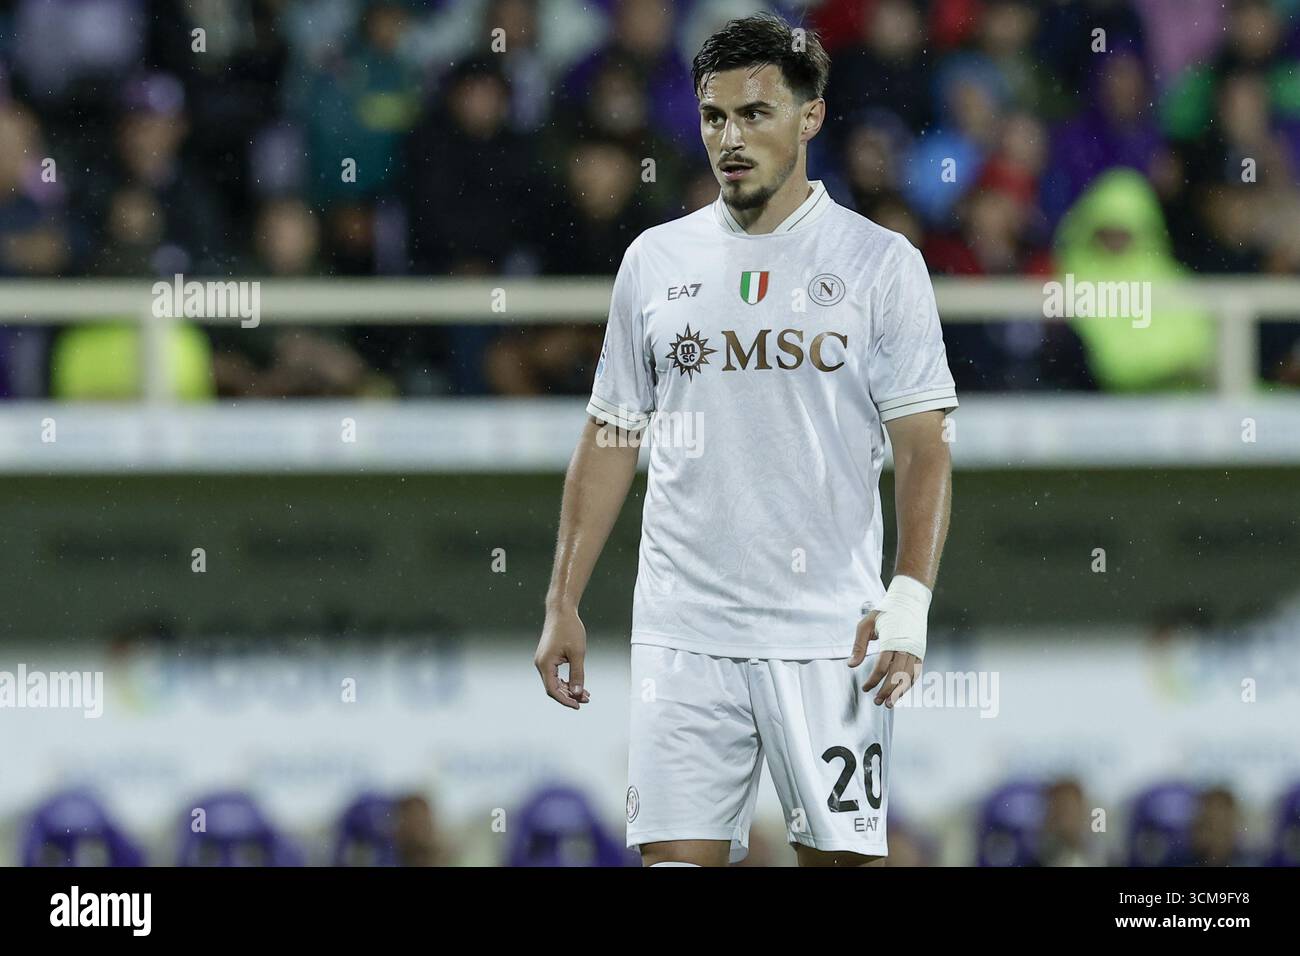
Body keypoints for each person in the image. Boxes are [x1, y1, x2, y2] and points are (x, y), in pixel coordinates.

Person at [533, 12, 958, 868]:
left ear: (810, 118)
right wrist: (562, 598)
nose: (730, 137)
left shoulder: (880, 264)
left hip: (831, 633)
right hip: (682, 631)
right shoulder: (655, 261)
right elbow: (613, 432)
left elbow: (922, 444)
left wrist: (908, 599)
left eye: (755, 114)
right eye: (714, 116)